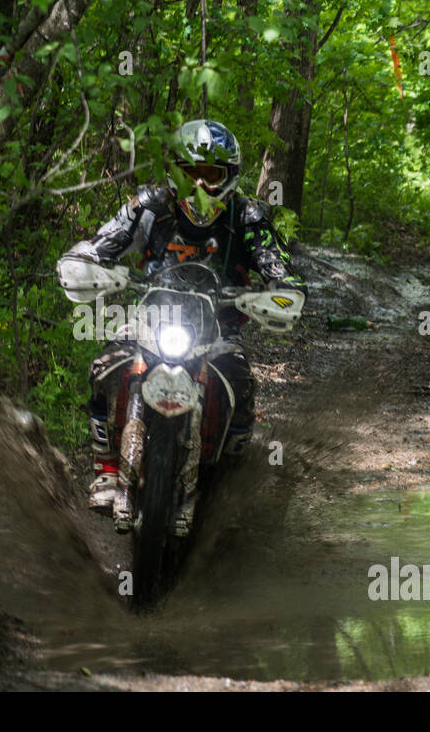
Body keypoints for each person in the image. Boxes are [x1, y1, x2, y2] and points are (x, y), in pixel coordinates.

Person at [58, 119, 306, 515]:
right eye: (192, 175)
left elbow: (279, 269)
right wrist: (85, 261)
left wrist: (282, 289)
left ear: (230, 177)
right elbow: (102, 243)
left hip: (220, 325)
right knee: (104, 366)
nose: (201, 187)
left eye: (212, 176)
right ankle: (105, 468)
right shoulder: (151, 207)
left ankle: (227, 479)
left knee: (241, 385)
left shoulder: (247, 217)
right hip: (150, 317)